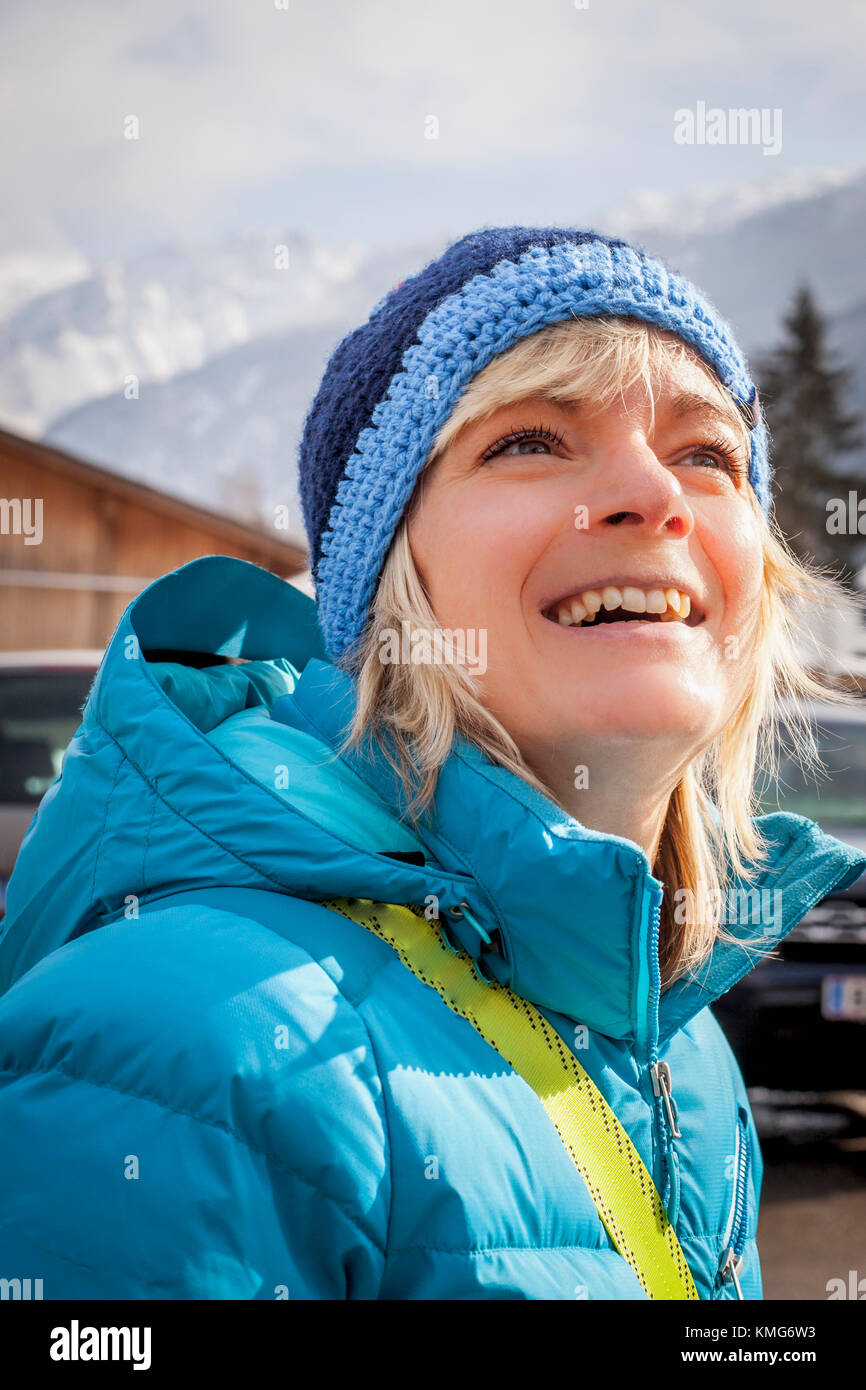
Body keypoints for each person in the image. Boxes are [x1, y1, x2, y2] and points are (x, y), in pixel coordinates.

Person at [0, 226, 863, 1301]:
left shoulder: (671, 1045)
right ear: (384, 584)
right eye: (531, 441)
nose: (656, 495)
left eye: (706, 454)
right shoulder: (189, 1048)